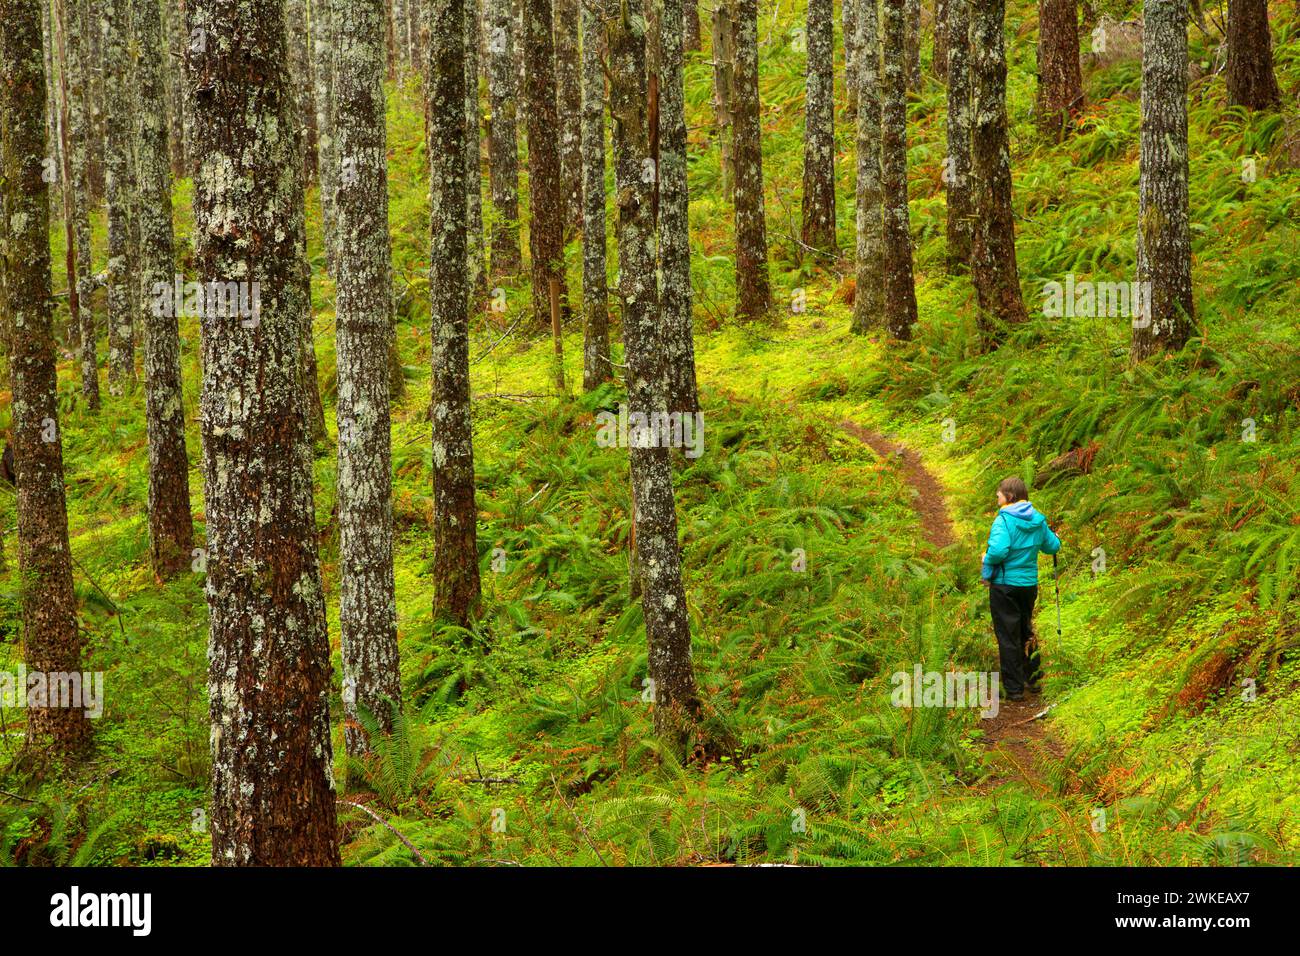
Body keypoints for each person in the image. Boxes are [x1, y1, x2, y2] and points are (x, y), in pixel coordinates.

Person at [981, 477, 1061, 702]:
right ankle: (1034, 679)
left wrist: (986, 557)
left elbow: (997, 551)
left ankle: (1015, 689)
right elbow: (1052, 546)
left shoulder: (1003, 520)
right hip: (1028, 586)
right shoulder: (1037, 519)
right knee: (1026, 630)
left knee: (1007, 635)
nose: (997, 497)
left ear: (1010, 496)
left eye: (999, 494)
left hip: (1005, 586)